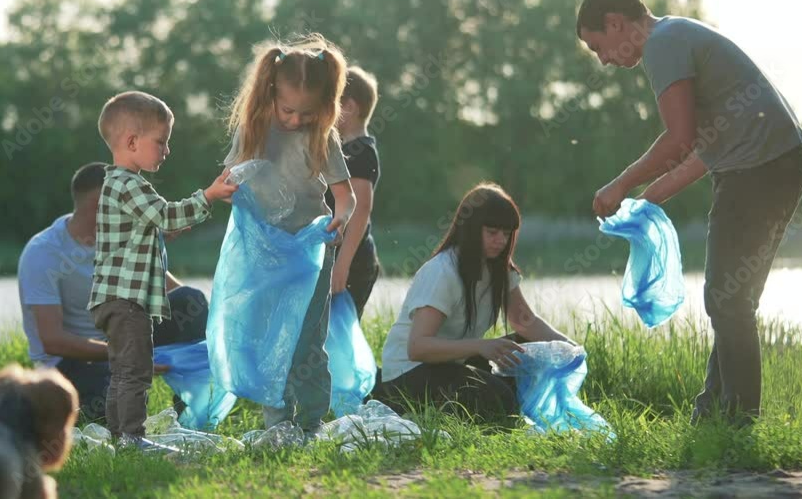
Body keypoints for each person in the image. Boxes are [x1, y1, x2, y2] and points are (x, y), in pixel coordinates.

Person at [576, 0, 802, 425]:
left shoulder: (663, 44)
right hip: (775, 163)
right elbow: (703, 150)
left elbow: (678, 140)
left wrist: (618, 185)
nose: (603, 59)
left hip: (759, 169)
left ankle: (738, 421)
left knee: (728, 298)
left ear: (615, 23)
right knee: (730, 297)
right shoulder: (677, 36)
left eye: (597, 47)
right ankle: (713, 417)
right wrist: (645, 200)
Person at [88, 91, 236, 450]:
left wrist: (166, 226)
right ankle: (132, 439)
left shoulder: (117, 184)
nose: (166, 150)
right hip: (126, 301)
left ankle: (118, 437)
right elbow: (166, 214)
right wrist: (210, 196)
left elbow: (155, 224)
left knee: (122, 371)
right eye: (162, 142)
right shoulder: (129, 183)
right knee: (135, 372)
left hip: (114, 299)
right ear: (132, 141)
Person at [223, 33, 356, 432]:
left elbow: (345, 197)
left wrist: (341, 219)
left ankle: (312, 422)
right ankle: (277, 425)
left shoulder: (322, 136)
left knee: (305, 340)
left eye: (306, 112)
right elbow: (228, 180)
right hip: (264, 250)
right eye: (288, 111)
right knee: (269, 337)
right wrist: (229, 191)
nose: (296, 120)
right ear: (270, 93)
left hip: (311, 251)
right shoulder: (253, 130)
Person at [18, 162, 211, 423]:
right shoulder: (44, 253)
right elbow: (53, 341)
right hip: (72, 361)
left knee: (191, 301)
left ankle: (190, 416)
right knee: (113, 409)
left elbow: (173, 292)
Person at [372, 183, 573, 422]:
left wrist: (570, 348)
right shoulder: (442, 272)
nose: (500, 240)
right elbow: (418, 348)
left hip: (452, 362)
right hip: (408, 374)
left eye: (506, 234)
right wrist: (480, 346)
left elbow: (524, 322)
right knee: (499, 400)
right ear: (471, 229)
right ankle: (397, 404)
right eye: (492, 232)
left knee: (530, 351)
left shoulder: (500, 269)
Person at [325, 65, 382, 317]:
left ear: (349, 107)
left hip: (353, 261)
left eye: (332, 102)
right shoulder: (342, 150)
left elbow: (360, 211)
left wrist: (342, 266)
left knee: (339, 334)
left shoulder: (361, 152)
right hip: (339, 257)